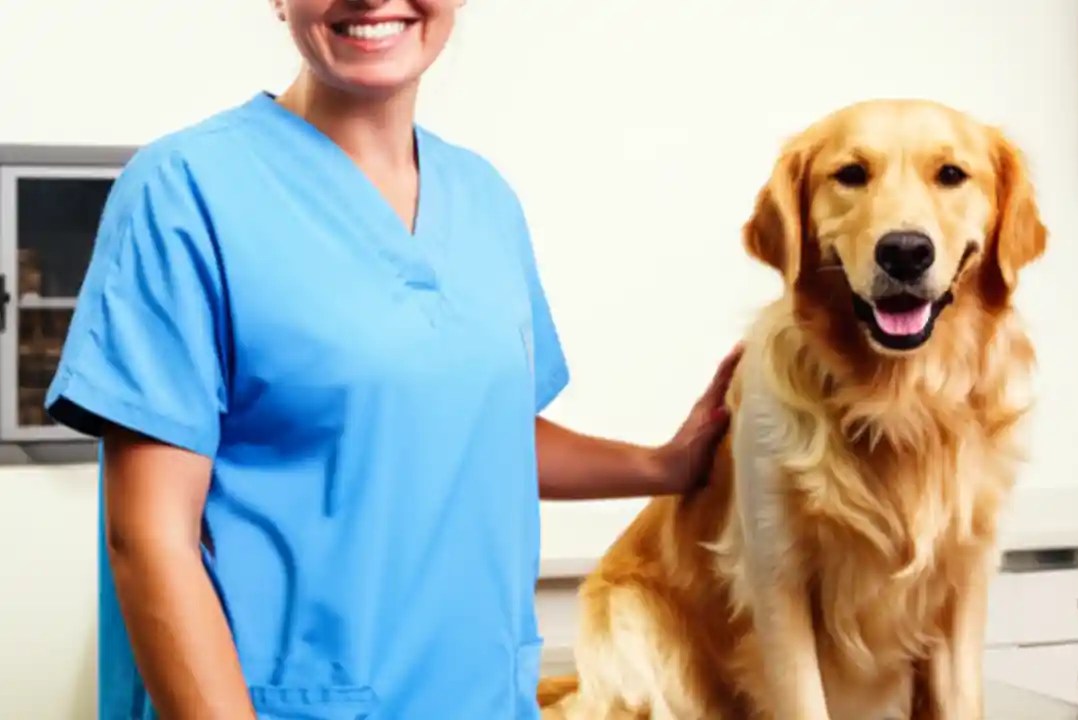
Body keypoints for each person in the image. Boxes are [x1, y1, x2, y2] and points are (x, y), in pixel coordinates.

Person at [43, 1, 741, 717]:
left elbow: (483, 438)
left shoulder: (484, 199)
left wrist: (663, 466)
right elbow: (149, 537)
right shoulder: (183, 191)